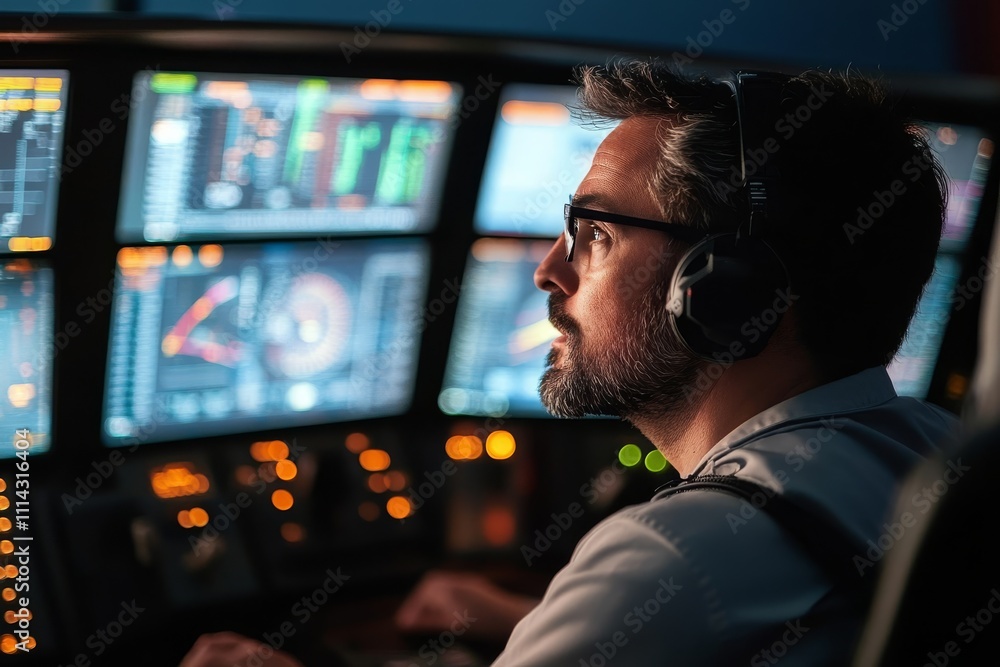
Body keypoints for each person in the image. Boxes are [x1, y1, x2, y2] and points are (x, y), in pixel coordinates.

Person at [181, 60, 958, 666]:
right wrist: (528, 617)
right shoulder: (934, 451)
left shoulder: (674, 551)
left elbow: (687, 589)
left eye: (596, 234)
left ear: (726, 290)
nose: (548, 270)